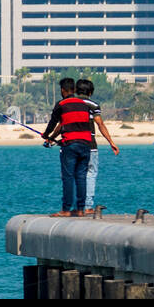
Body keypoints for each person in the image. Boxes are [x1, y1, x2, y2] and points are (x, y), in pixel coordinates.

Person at [40, 78, 97, 216]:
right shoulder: (84, 104)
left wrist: (46, 135)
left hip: (70, 145)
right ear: (74, 90)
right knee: (81, 177)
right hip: (86, 144)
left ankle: (66, 209)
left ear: (63, 90)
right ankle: (80, 209)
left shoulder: (61, 104)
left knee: (68, 176)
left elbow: (54, 122)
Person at [74, 78, 120, 209]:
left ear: (76, 90)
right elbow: (100, 124)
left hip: (72, 145)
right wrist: (111, 142)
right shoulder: (93, 105)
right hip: (90, 146)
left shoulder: (69, 104)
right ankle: (88, 206)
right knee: (91, 174)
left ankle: (78, 206)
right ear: (91, 92)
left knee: (76, 174)